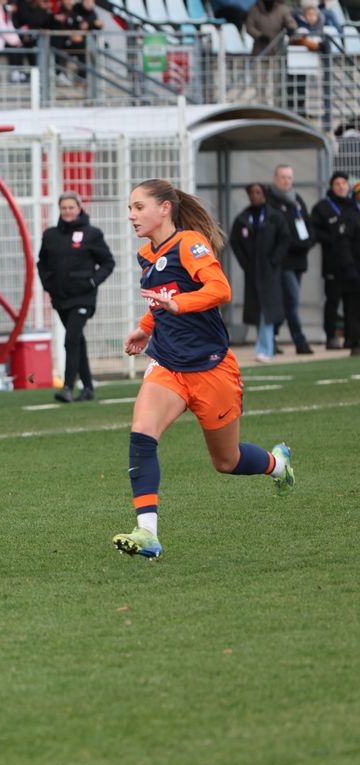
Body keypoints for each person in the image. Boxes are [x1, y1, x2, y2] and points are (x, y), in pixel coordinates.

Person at [114, 179, 295, 560]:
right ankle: (148, 533)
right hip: (167, 365)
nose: (131, 215)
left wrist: (182, 304)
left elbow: (220, 289)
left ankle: (278, 465)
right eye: (130, 208)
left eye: (138, 206)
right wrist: (145, 328)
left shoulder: (189, 243)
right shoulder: (147, 253)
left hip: (212, 370)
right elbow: (160, 299)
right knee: (141, 435)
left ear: (165, 209)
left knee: (226, 461)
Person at [36, 192, 115, 402]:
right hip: (60, 298)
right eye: (64, 208)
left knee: (71, 339)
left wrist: (92, 281)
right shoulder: (50, 235)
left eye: (71, 207)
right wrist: (48, 285)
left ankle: (68, 387)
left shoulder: (92, 234)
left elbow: (108, 263)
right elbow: (41, 263)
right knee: (77, 340)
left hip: (83, 298)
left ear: (79, 208)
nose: (67, 211)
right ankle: (88, 387)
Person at [228, 183, 289, 363]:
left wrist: (274, 260)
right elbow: (235, 242)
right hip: (253, 272)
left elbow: (284, 239)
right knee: (258, 309)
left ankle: (265, 348)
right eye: (252, 193)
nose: (255, 196)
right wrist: (245, 263)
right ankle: (266, 346)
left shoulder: (275, 217)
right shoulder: (243, 218)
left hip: (270, 272)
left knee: (268, 310)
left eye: (258, 192)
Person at [266, 164, 316, 355]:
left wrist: (308, 242)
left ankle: (274, 337)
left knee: (288, 302)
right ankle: (300, 341)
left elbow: (308, 225)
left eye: (289, 177)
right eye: (283, 177)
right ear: (275, 179)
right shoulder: (270, 201)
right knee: (292, 301)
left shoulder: (297, 200)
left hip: (299, 260)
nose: (286, 181)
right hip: (283, 261)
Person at [309, 170, 360, 351]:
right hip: (332, 262)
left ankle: (350, 337)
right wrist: (332, 238)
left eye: (344, 184)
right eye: (337, 184)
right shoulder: (323, 207)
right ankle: (331, 336)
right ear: (332, 186)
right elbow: (313, 231)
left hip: (352, 264)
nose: (341, 187)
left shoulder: (352, 206)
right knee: (332, 300)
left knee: (352, 302)